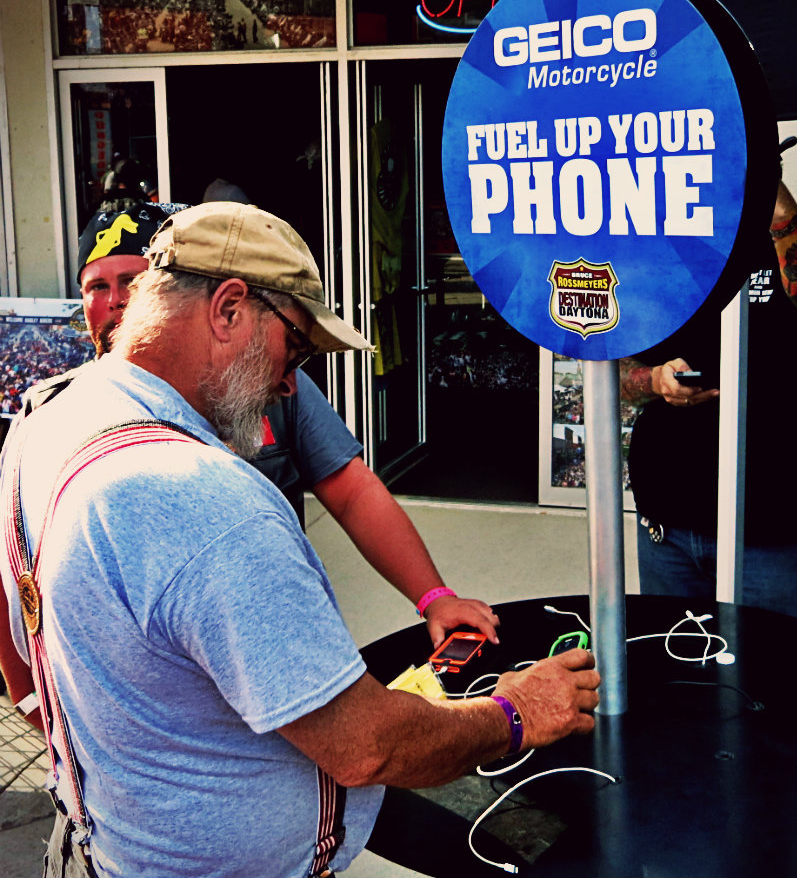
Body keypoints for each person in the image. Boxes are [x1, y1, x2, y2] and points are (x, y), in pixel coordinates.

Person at [0, 202, 601, 878]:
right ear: (228, 308)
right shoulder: (203, 499)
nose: (290, 381)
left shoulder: (47, 416)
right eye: (296, 345)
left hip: (98, 849)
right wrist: (515, 713)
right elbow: (364, 747)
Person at [17, 200, 499, 652]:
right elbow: (19, 575)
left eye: (132, 282)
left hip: (275, 653)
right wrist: (33, 703)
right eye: (97, 286)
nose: (118, 301)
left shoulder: (263, 378)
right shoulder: (49, 418)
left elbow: (352, 490)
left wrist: (433, 595)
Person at [619, 142, 797, 622]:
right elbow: (616, 374)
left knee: (773, 679)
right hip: (666, 519)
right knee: (676, 675)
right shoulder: (662, 245)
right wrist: (653, 380)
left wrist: (771, 200)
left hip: (773, 518)